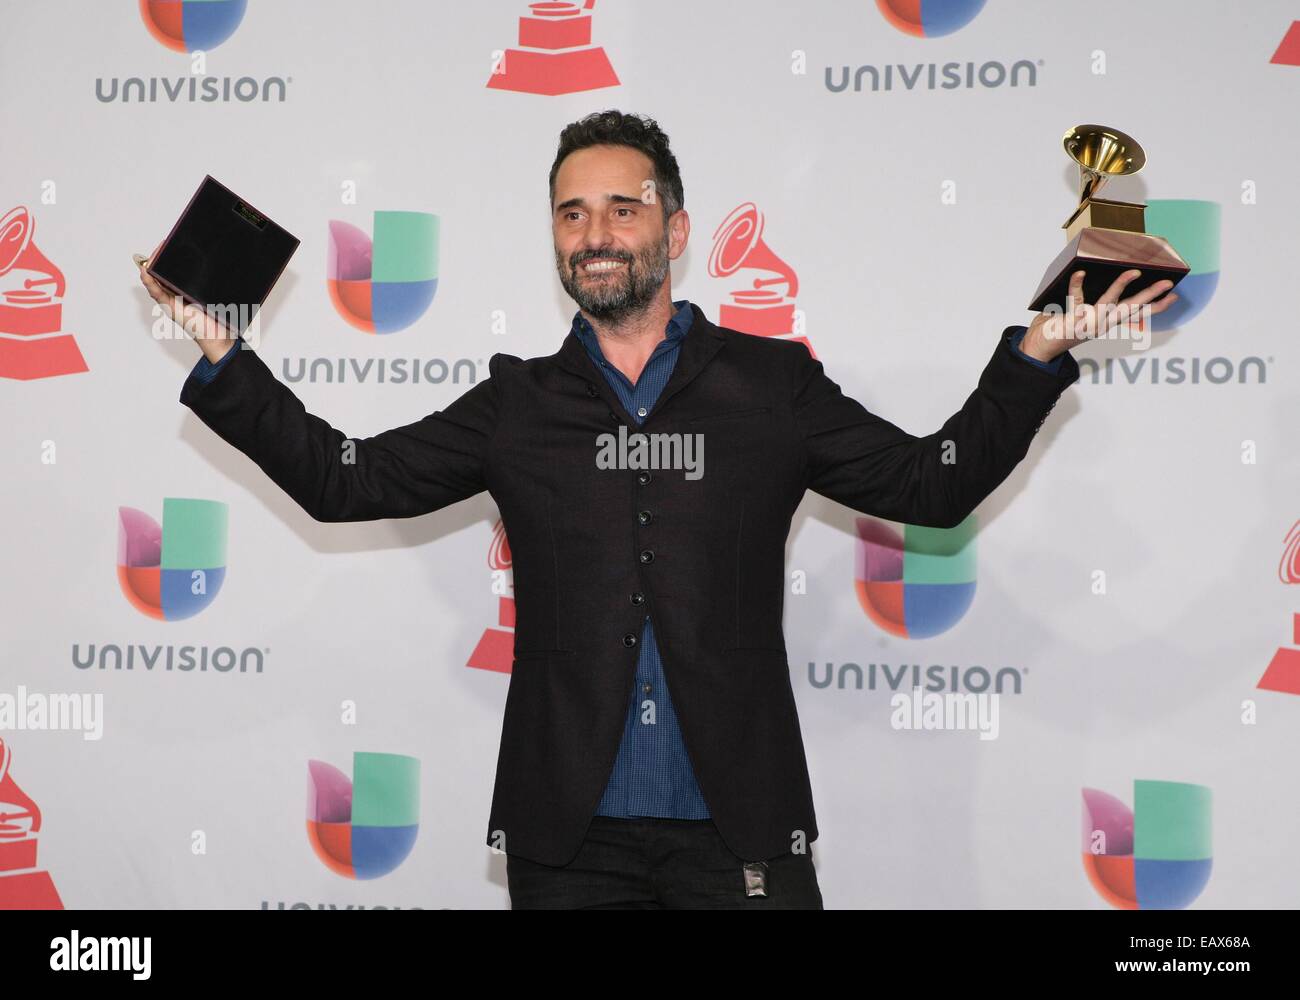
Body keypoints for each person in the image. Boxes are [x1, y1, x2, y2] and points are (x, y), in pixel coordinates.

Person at [137, 109, 1178, 909]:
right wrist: (226, 357)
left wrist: (1039, 349)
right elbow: (345, 478)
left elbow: (929, 483)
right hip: (565, 845)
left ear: (674, 229)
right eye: (570, 211)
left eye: (622, 208)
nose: (595, 234)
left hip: (742, 837)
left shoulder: (772, 387)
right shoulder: (516, 405)